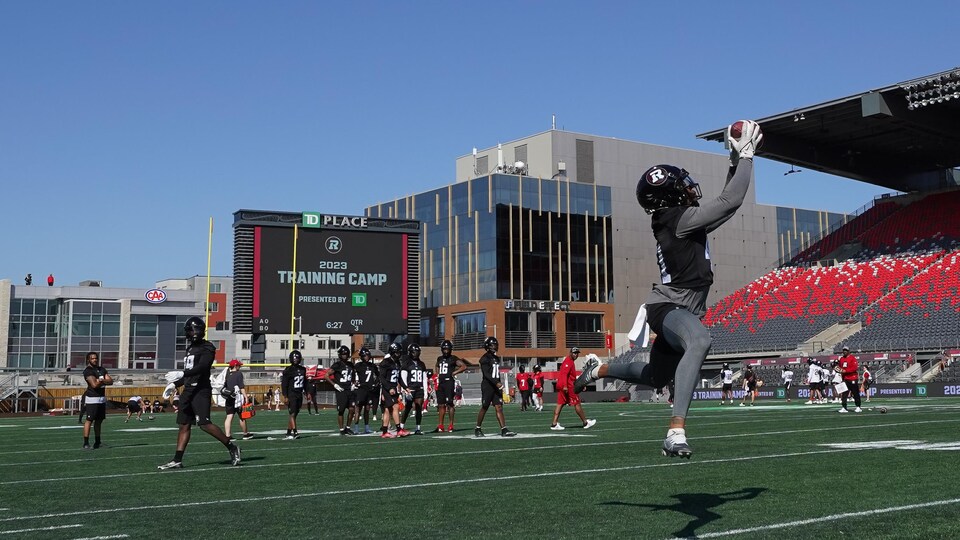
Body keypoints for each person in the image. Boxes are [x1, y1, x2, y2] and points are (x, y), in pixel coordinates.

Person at [573, 120, 764, 458]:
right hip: (668, 307)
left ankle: (598, 368)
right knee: (701, 340)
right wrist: (747, 156)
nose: (689, 188)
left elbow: (724, 208)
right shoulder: (677, 219)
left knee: (655, 375)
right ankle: (676, 430)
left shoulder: (678, 219)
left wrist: (734, 163)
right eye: (681, 185)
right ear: (668, 195)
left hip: (681, 309)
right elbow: (730, 202)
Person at [158, 317, 240, 470]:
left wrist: (181, 374)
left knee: (204, 424)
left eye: (196, 329)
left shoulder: (207, 347)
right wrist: (174, 384)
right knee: (184, 425)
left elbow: (203, 367)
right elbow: (190, 374)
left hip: (201, 390)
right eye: (192, 329)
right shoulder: (189, 349)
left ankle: (231, 446)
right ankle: (177, 459)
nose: (194, 332)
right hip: (188, 390)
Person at [475, 337, 517, 437]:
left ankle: (504, 429)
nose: (494, 347)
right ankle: (478, 428)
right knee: (485, 406)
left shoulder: (496, 358)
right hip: (488, 385)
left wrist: (498, 382)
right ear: (487, 346)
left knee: (499, 406)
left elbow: (496, 373)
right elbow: (486, 374)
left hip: (496, 385)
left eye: (495, 345)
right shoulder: (484, 358)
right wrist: (496, 382)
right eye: (492, 345)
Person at [551, 348, 597, 430]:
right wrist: (565, 386)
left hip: (563, 385)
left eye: (577, 353)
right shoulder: (568, 361)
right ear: (570, 353)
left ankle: (554, 424)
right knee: (577, 403)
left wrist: (580, 385)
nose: (576, 355)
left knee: (560, 404)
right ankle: (585, 422)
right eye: (574, 353)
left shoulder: (569, 361)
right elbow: (565, 374)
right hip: (567, 386)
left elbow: (571, 376)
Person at [433, 340, 466, 432]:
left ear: (450, 349)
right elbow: (436, 366)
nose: (446, 351)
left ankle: (451, 425)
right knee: (440, 404)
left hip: (449, 383)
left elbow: (463, 366)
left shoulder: (453, 358)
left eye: (447, 349)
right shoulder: (439, 358)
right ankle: (440, 425)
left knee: (450, 404)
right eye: (444, 349)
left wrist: (454, 372)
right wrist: (437, 375)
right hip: (441, 382)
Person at [82, 351, 113, 449]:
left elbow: (110, 381)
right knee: (89, 420)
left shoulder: (102, 369)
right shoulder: (88, 371)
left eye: (96, 358)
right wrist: (102, 381)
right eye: (92, 358)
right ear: (88, 360)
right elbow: (94, 385)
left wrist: (101, 380)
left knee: (99, 421)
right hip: (92, 399)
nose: (95, 360)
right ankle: (86, 443)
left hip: (101, 399)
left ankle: (97, 442)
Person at [378, 343, 407, 438]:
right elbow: (381, 377)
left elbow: (398, 378)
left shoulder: (397, 362)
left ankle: (385, 432)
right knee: (395, 407)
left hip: (393, 388)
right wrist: (389, 388)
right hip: (388, 388)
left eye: (399, 352)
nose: (398, 354)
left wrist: (405, 387)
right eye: (397, 352)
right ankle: (398, 430)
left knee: (387, 410)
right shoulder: (385, 362)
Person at [327, 345, 357, 435]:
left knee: (352, 409)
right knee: (341, 410)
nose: (345, 356)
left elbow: (353, 376)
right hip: (341, 390)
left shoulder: (351, 364)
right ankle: (341, 429)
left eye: (346, 354)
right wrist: (334, 384)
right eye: (343, 354)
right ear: (340, 355)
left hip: (349, 389)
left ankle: (348, 427)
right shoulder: (337, 365)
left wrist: (353, 384)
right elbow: (326, 375)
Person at [399, 343, 428, 434]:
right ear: (410, 352)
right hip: (410, 389)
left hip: (419, 388)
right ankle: (401, 426)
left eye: (417, 352)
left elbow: (424, 378)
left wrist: (426, 391)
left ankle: (418, 428)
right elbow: (403, 377)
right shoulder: (406, 364)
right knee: (407, 408)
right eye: (414, 352)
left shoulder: (421, 364)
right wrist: (405, 389)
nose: (416, 353)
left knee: (419, 408)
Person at [223, 359, 253, 440]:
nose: (240, 367)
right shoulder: (238, 374)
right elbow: (241, 387)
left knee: (229, 417)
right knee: (242, 416)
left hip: (229, 397)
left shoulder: (227, 374)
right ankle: (245, 434)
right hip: (237, 398)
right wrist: (246, 397)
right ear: (236, 366)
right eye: (239, 365)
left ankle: (228, 436)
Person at [281, 350, 308, 439]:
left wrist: (307, 392)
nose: (295, 360)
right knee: (292, 413)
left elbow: (305, 383)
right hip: (291, 394)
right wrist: (285, 396)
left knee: (295, 413)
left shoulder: (303, 369)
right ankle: (295, 432)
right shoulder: (288, 370)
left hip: (299, 393)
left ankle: (289, 432)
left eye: (297, 358)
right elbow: (284, 384)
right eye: (294, 358)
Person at [353, 347, 379, 434]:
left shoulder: (373, 366)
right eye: (365, 356)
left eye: (368, 355)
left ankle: (366, 427)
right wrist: (354, 382)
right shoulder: (358, 365)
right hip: (361, 389)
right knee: (358, 409)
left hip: (369, 390)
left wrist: (376, 383)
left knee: (367, 409)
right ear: (361, 356)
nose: (367, 357)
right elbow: (352, 373)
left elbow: (378, 375)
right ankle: (356, 428)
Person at [837, 347, 862, 413]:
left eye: (846, 350)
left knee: (855, 393)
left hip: (852, 378)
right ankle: (844, 407)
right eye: (843, 350)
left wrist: (845, 371)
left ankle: (858, 407)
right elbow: (840, 368)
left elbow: (854, 368)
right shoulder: (841, 359)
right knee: (844, 394)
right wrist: (837, 369)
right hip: (845, 379)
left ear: (849, 351)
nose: (844, 351)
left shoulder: (852, 358)